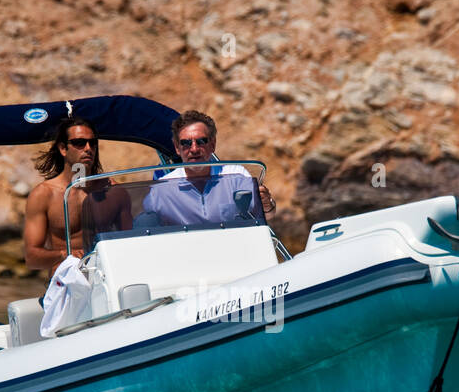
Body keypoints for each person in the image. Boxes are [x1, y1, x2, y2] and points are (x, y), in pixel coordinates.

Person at [23, 117, 132, 272]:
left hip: (106, 280)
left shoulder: (113, 192)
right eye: (79, 143)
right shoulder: (44, 194)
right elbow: (32, 259)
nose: (88, 148)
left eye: (93, 143)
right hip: (67, 284)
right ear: (63, 148)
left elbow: (130, 242)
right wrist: (66, 254)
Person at [140, 111, 277, 226]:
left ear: (212, 145)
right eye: (186, 143)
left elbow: (267, 215)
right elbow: (146, 227)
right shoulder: (161, 189)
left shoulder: (236, 175)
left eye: (201, 141)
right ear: (177, 147)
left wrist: (266, 203)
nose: (194, 149)